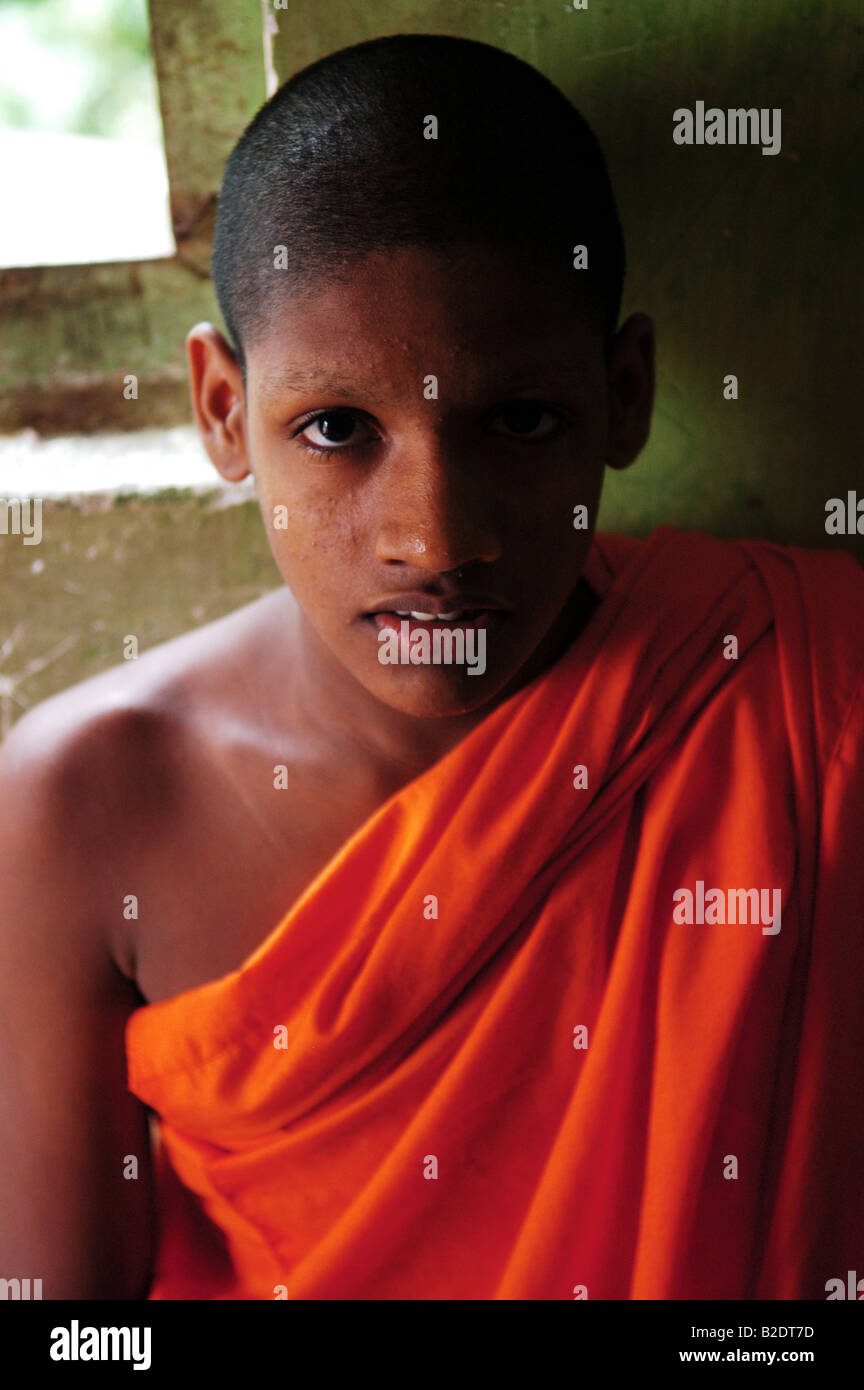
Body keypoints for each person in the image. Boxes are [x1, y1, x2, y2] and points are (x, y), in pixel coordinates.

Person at [0, 33, 861, 1302]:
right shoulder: (84, 800)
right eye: (338, 428)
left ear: (624, 395)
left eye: (519, 421)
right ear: (226, 413)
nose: (438, 540)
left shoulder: (803, 693)